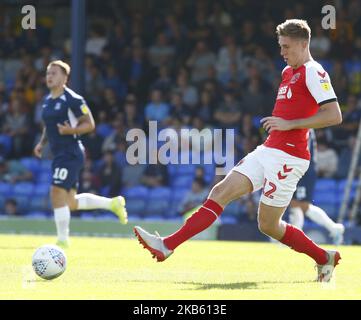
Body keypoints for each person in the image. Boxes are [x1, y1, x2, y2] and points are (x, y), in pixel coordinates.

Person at [134, 19, 343, 282]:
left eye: (287, 47)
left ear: (303, 44)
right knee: (220, 191)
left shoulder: (314, 71)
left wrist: (290, 123)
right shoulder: (288, 72)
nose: (282, 52)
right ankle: (167, 245)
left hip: (289, 157)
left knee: (268, 225)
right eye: (280, 47)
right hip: (269, 149)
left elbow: (334, 115)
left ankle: (324, 257)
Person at [34, 60, 128, 248]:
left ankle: (63, 240)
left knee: (56, 192)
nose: (49, 76)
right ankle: (112, 204)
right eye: (47, 73)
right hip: (60, 153)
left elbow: (90, 123)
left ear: (64, 77)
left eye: (54, 73)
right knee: (70, 202)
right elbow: (50, 126)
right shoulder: (48, 100)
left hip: (70, 152)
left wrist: (71, 131)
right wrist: (42, 142)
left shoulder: (73, 99)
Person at [289, 129, 345, 245]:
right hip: (299, 169)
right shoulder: (302, 123)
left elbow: (301, 150)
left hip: (304, 170)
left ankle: (296, 238)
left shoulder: (304, 126)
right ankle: (334, 228)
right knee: (296, 204)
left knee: (300, 204)